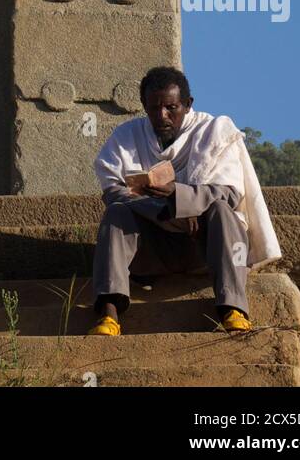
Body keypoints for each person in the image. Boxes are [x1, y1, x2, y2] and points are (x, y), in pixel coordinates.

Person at [87, 66, 282, 336]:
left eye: (171, 107)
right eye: (154, 108)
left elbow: (229, 192)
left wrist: (179, 197)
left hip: (203, 246)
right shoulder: (126, 137)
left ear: (188, 105)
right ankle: (108, 314)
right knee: (117, 213)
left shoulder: (214, 131)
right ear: (144, 105)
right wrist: (166, 211)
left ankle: (232, 309)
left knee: (223, 212)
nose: (162, 116)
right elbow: (113, 191)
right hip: (151, 249)